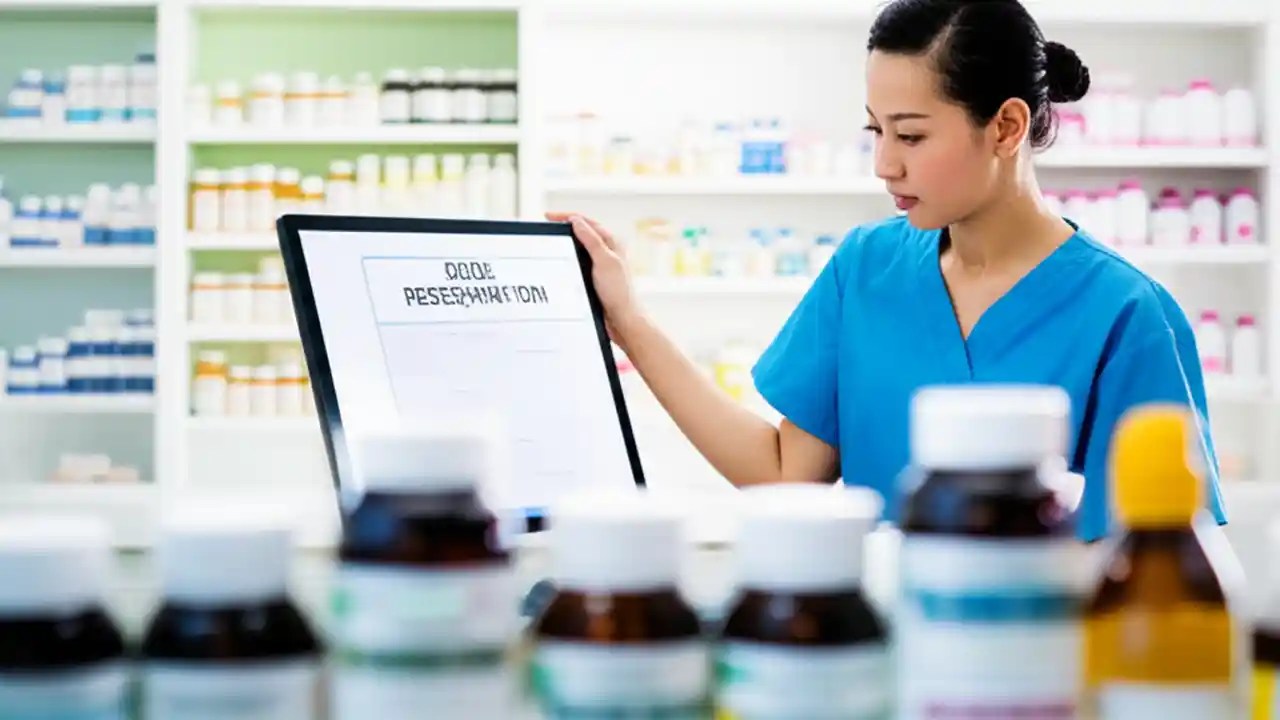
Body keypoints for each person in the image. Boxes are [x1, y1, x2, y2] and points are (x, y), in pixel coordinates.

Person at [549, 0, 1225, 542]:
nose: (884, 164)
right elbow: (786, 482)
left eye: (911, 135)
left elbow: (1155, 571)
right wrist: (629, 324)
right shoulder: (864, 268)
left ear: (1007, 126)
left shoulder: (1128, 317)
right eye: (875, 131)